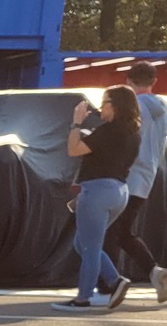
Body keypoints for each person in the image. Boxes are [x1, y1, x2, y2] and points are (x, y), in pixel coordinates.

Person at [56, 85, 143, 312]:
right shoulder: (133, 132)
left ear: (115, 106)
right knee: (82, 242)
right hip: (119, 192)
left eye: (105, 103)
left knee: (90, 247)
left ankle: (83, 298)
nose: (101, 108)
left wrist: (76, 123)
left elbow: (73, 149)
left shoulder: (107, 131)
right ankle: (115, 281)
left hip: (97, 190)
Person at [105, 62, 167, 305]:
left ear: (128, 80)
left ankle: (110, 283)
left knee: (110, 230)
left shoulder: (132, 107)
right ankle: (154, 272)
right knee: (122, 231)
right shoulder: (162, 107)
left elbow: (121, 139)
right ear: (154, 81)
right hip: (147, 176)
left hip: (124, 175)